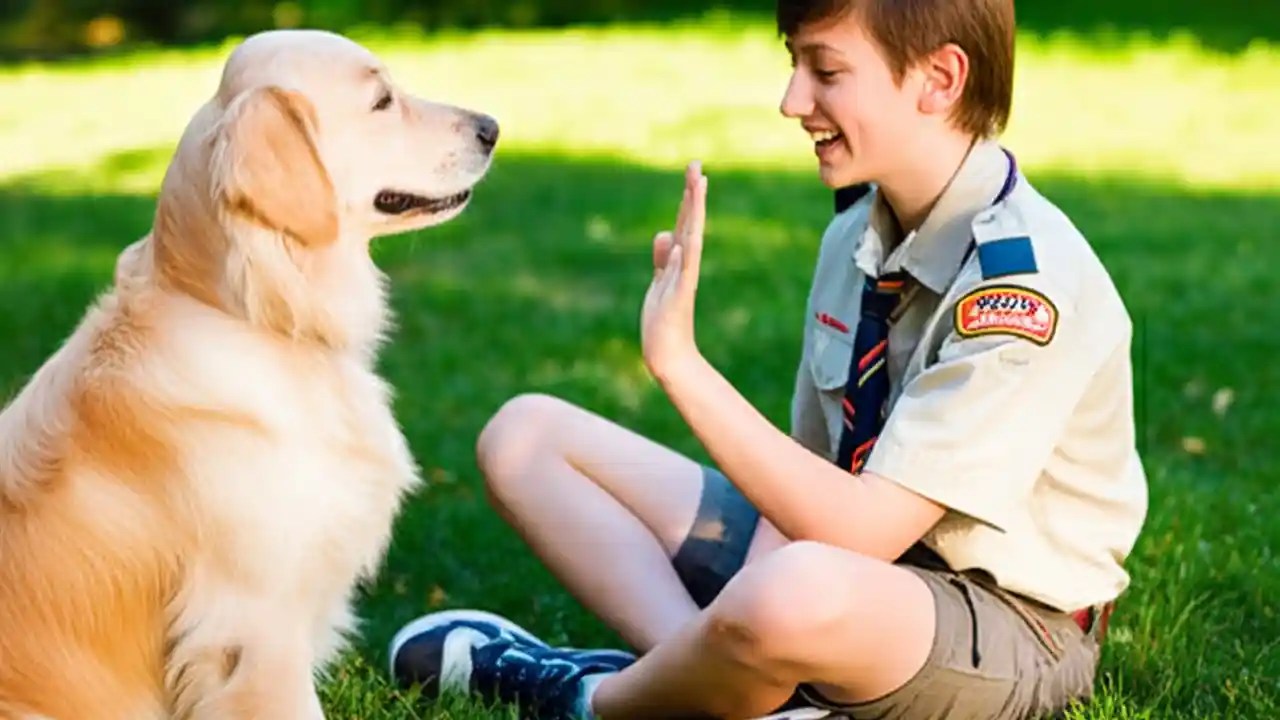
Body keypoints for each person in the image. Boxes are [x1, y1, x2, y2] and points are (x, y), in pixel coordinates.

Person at [385, 0, 1149, 718]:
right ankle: (733, 687)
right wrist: (747, 616)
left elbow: (857, 534)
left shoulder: (1021, 284)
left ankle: (593, 698)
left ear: (940, 79)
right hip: (835, 577)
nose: (792, 99)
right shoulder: (856, 237)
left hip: (1007, 624)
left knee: (791, 592)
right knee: (525, 437)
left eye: (826, 70)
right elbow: (807, 481)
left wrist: (681, 365)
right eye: (794, 64)